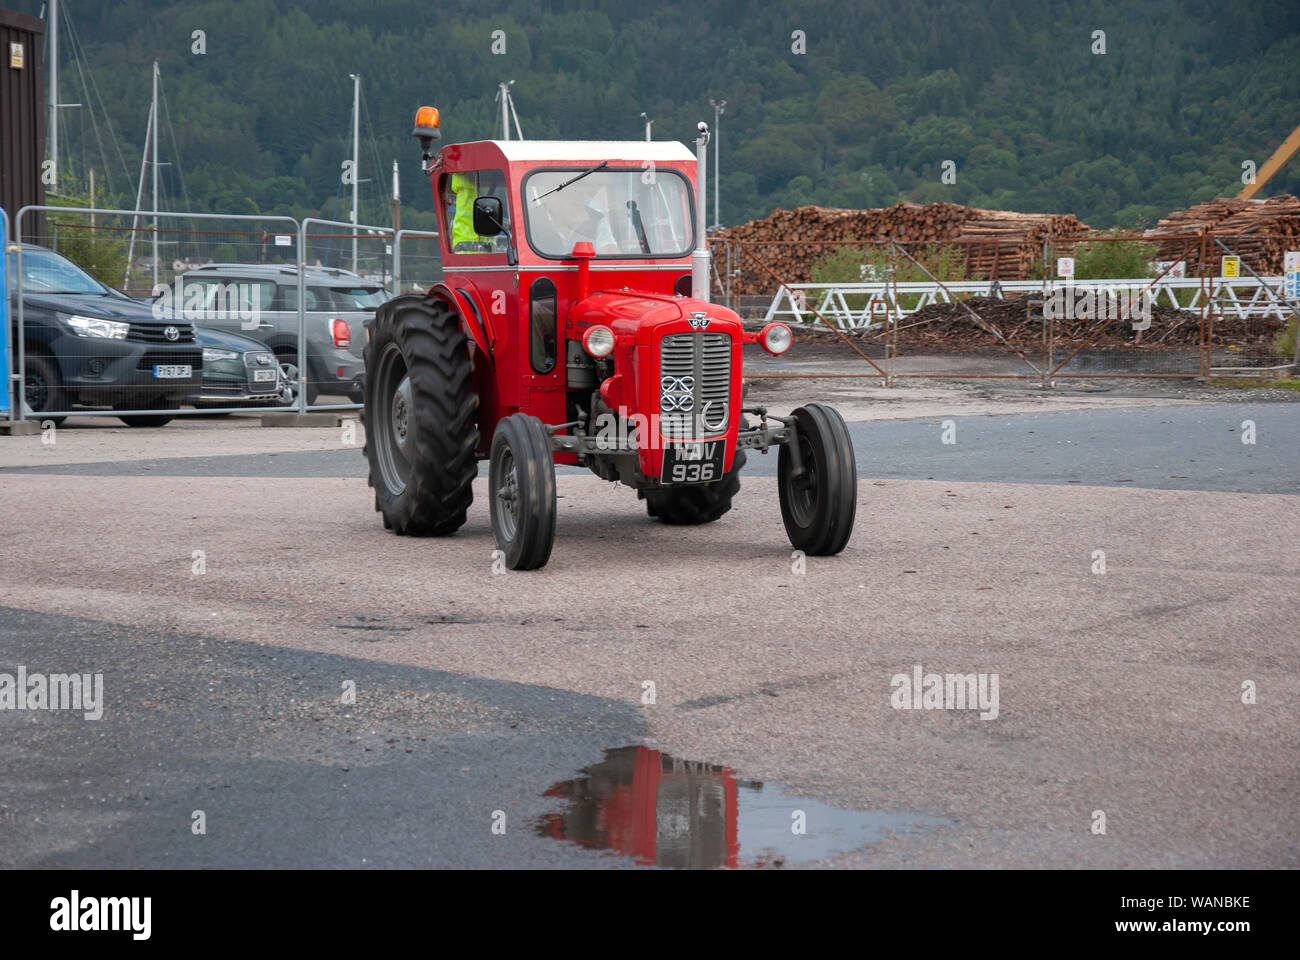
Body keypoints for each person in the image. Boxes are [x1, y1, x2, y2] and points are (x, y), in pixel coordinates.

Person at [531, 178, 621, 256]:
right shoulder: (531, 220)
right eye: (570, 194)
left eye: (580, 195)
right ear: (553, 198)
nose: (578, 202)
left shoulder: (596, 219)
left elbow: (612, 258)